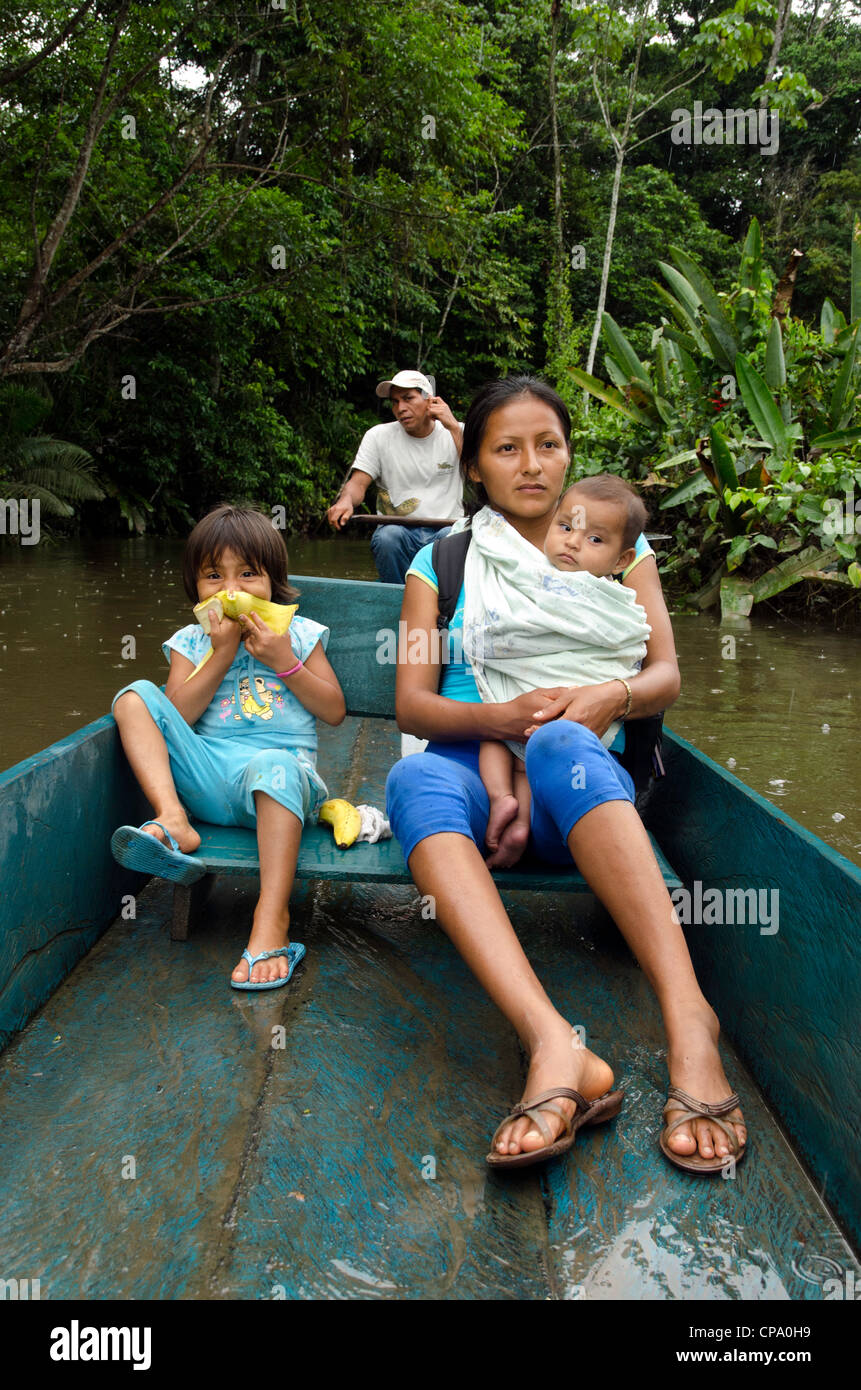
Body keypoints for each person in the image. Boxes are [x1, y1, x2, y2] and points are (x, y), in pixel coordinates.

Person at [385, 375, 747, 1174]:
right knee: (411, 784)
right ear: (473, 466)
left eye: (548, 444)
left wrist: (605, 695)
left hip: (579, 792)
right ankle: (554, 1045)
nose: (531, 464)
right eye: (506, 449)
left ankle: (690, 1023)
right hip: (481, 799)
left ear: (569, 453)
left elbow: (663, 677)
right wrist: (498, 720)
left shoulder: (620, 544)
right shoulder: (436, 563)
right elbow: (410, 704)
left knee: (557, 745)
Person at [109, 504, 347, 990]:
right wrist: (219, 654)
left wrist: (285, 661)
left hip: (284, 784)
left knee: (273, 765)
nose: (230, 589)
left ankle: (270, 917)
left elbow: (334, 710)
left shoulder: (298, 635)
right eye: (213, 575)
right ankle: (172, 816)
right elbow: (175, 717)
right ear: (195, 586)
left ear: (274, 581)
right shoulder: (191, 641)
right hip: (207, 778)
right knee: (133, 697)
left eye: (248, 574)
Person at [476, 474, 651, 869]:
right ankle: (504, 799)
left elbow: (628, 642)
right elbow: (505, 627)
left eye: (594, 539)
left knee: (540, 755)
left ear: (622, 561)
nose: (573, 541)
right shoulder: (527, 573)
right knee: (492, 730)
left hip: (570, 723)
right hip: (517, 708)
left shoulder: (612, 600)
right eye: (566, 527)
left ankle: (517, 811)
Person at [326, 370, 464, 583]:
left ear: (430, 401)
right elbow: (357, 484)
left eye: (408, 398)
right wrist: (345, 501)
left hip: (445, 529)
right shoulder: (378, 436)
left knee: (450, 538)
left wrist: (453, 426)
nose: (400, 409)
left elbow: (480, 474)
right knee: (387, 537)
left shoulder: (457, 432)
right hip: (399, 530)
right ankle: (397, 607)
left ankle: (444, 610)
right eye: (395, 402)